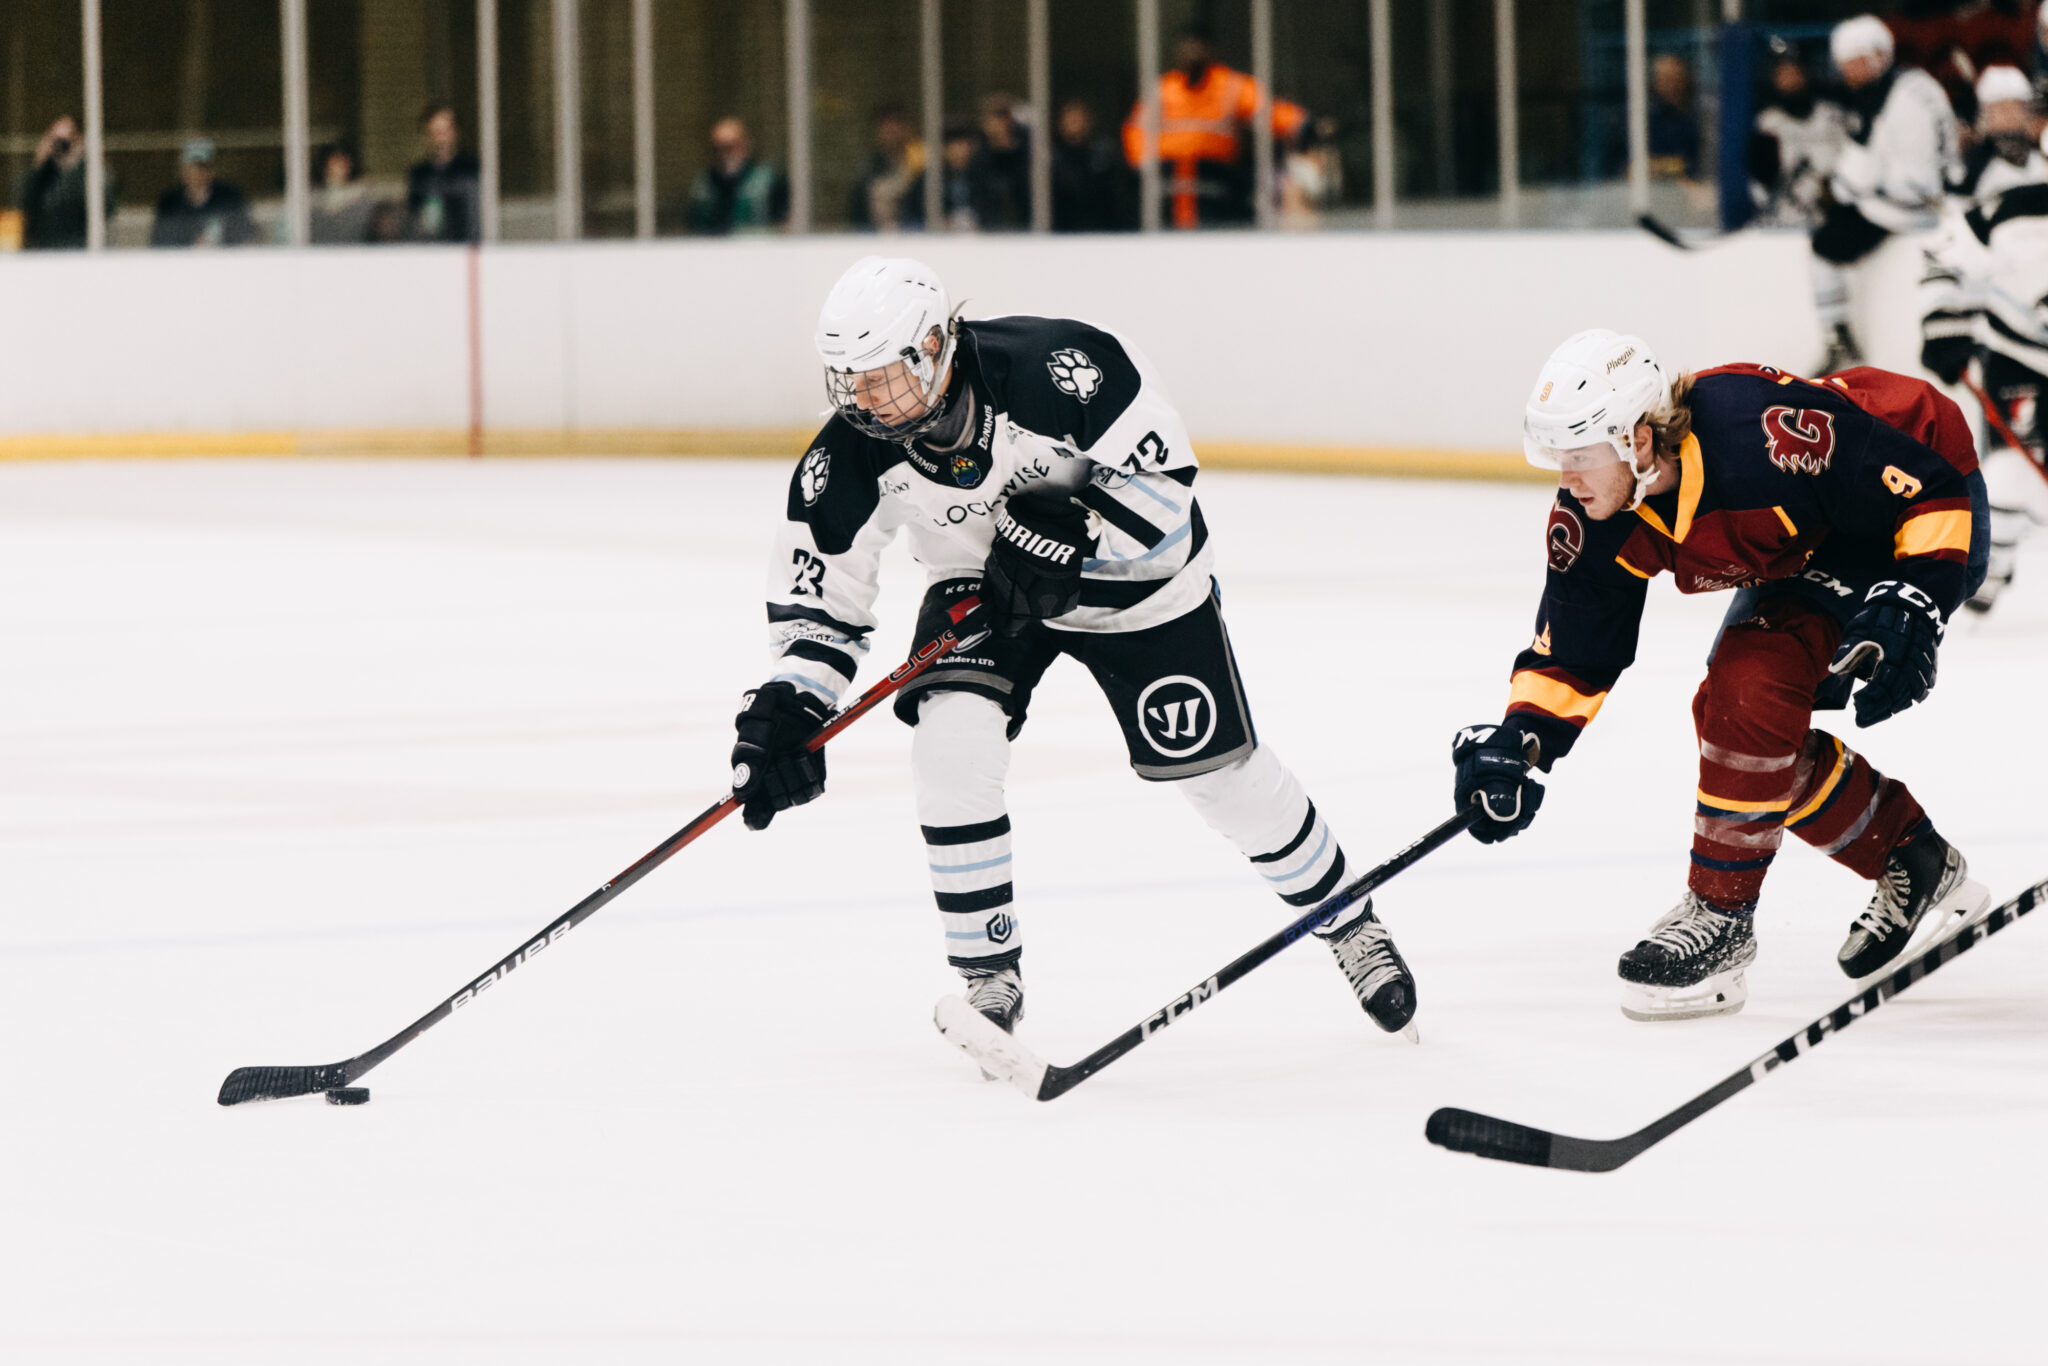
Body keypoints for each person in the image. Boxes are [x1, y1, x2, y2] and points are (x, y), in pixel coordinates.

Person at [732, 255, 1419, 1048]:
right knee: (950, 750)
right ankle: (989, 977)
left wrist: (1077, 529)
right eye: (848, 382)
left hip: (1138, 589)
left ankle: (1350, 922)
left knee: (1223, 781)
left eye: (880, 378)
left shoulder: (1061, 368)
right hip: (986, 590)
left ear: (934, 347)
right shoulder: (847, 455)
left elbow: (1168, 486)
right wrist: (793, 701)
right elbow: (821, 599)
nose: (864, 402)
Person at [1454, 329, 1991, 1023]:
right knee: (1734, 717)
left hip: (1922, 496)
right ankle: (1911, 856)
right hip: (1809, 544)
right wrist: (1520, 743)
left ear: (1638, 440)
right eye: (1559, 459)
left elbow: (1926, 485)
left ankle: (1721, 917)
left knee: (1750, 691)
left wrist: (1917, 595)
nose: (1568, 479)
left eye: (1580, 457)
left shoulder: (1762, 435)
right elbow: (1574, 654)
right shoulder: (1595, 513)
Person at [1918, 179, 2048, 613]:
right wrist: (1944, 323)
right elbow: (1942, 254)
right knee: (2016, 465)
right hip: (2021, 358)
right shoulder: (2006, 210)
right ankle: (1988, 565)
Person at [1810, 15, 1959, 375]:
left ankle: (1837, 338)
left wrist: (1840, 189)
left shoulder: (1887, 97)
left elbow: (1863, 176)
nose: (1847, 73)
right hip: (1935, 199)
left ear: (1876, 55)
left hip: (1908, 206)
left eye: (1853, 63)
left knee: (1823, 245)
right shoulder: (1915, 84)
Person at [1123, 22, 1306, 228]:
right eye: (1187, 46)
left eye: (1198, 46)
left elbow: (1268, 111)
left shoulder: (1229, 85)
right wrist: (1144, 163)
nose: (1192, 52)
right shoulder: (1164, 89)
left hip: (1215, 177)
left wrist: (1299, 123)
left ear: (1210, 51)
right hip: (1169, 179)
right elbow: (1137, 130)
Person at [1748, 43, 1848, 227]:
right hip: (1782, 220)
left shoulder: (1832, 115)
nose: (1790, 79)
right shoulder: (1767, 123)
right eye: (1783, 73)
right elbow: (1760, 182)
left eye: (1795, 72)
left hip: (1832, 216)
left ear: (1807, 73)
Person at [1948, 64, 2047, 206]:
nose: (2009, 114)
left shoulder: (2039, 158)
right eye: (2001, 108)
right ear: (1987, 114)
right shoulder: (1977, 162)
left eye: (2016, 106)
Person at [12, 115, 115, 249]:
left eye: (68, 140)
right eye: (57, 140)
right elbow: (21, 203)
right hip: (42, 249)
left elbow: (106, 207)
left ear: (78, 140)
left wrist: (81, 163)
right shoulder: (42, 176)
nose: (62, 146)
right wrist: (41, 164)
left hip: (78, 248)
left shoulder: (89, 175)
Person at [685, 117, 789, 235]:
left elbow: (782, 226)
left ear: (745, 146)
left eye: (729, 147)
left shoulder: (769, 182)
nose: (723, 154)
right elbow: (693, 226)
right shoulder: (704, 185)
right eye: (717, 149)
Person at [149, 138, 258, 247]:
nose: (198, 174)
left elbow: (247, 237)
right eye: (193, 168)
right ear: (184, 170)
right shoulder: (169, 203)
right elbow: (159, 243)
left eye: (204, 168)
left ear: (212, 170)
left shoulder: (229, 198)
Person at [1050, 99, 1133, 232]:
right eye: (1069, 118)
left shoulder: (1106, 155)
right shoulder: (1052, 159)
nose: (1074, 123)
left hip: (1104, 230)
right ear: (1060, 124)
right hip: (1063, 233)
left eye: (1078, 118)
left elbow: (1120, 198)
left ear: (1089, 121)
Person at [407, 104, 482, 243]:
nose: (441, 139)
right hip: (433, 250)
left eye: (446, 131)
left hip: (468, 249)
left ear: (456, 133)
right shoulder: (420, 175)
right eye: (435, 133)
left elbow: (477, 220)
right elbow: (417, 222)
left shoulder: (471, 170)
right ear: (426, 137)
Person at [848, 105, 924, 232]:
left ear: (906, 128)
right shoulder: (870, 166)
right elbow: (858, 212)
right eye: (885, 127)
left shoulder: (920, 160)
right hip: (875, 234)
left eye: (895, 125)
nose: (891, 132)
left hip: (913, 231)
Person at [976, 94, 1031, 230]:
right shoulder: (979, 156)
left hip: (1025, 225)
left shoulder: (1027, 154)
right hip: (989, 227)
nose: (994, 125)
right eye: (989, 119)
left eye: (1000, 118)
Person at [1648, 54, 1703, 182]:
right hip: (1663, 187)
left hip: (1700, 184)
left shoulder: (1701, 115)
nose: (1672, 85)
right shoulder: (1650, 120)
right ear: (1656, 84)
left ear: (1686, 80)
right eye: (1664, 79)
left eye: (1675, 78)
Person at [309, 144, 376, 245]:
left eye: (344, 161)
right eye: (336, 161)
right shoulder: (313, 198)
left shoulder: (362, 197)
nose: (341, 165)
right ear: (325, 165)